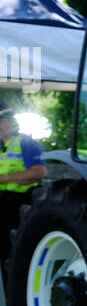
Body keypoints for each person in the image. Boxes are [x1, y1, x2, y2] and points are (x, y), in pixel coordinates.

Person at [0, 103, 47, 267]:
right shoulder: (1, 146)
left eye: (2, 120)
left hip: (20, 205)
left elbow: (39, 173)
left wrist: (5, 178)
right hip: (3, 205)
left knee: (12, 254)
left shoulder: (26, 143)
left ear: (10, 122)